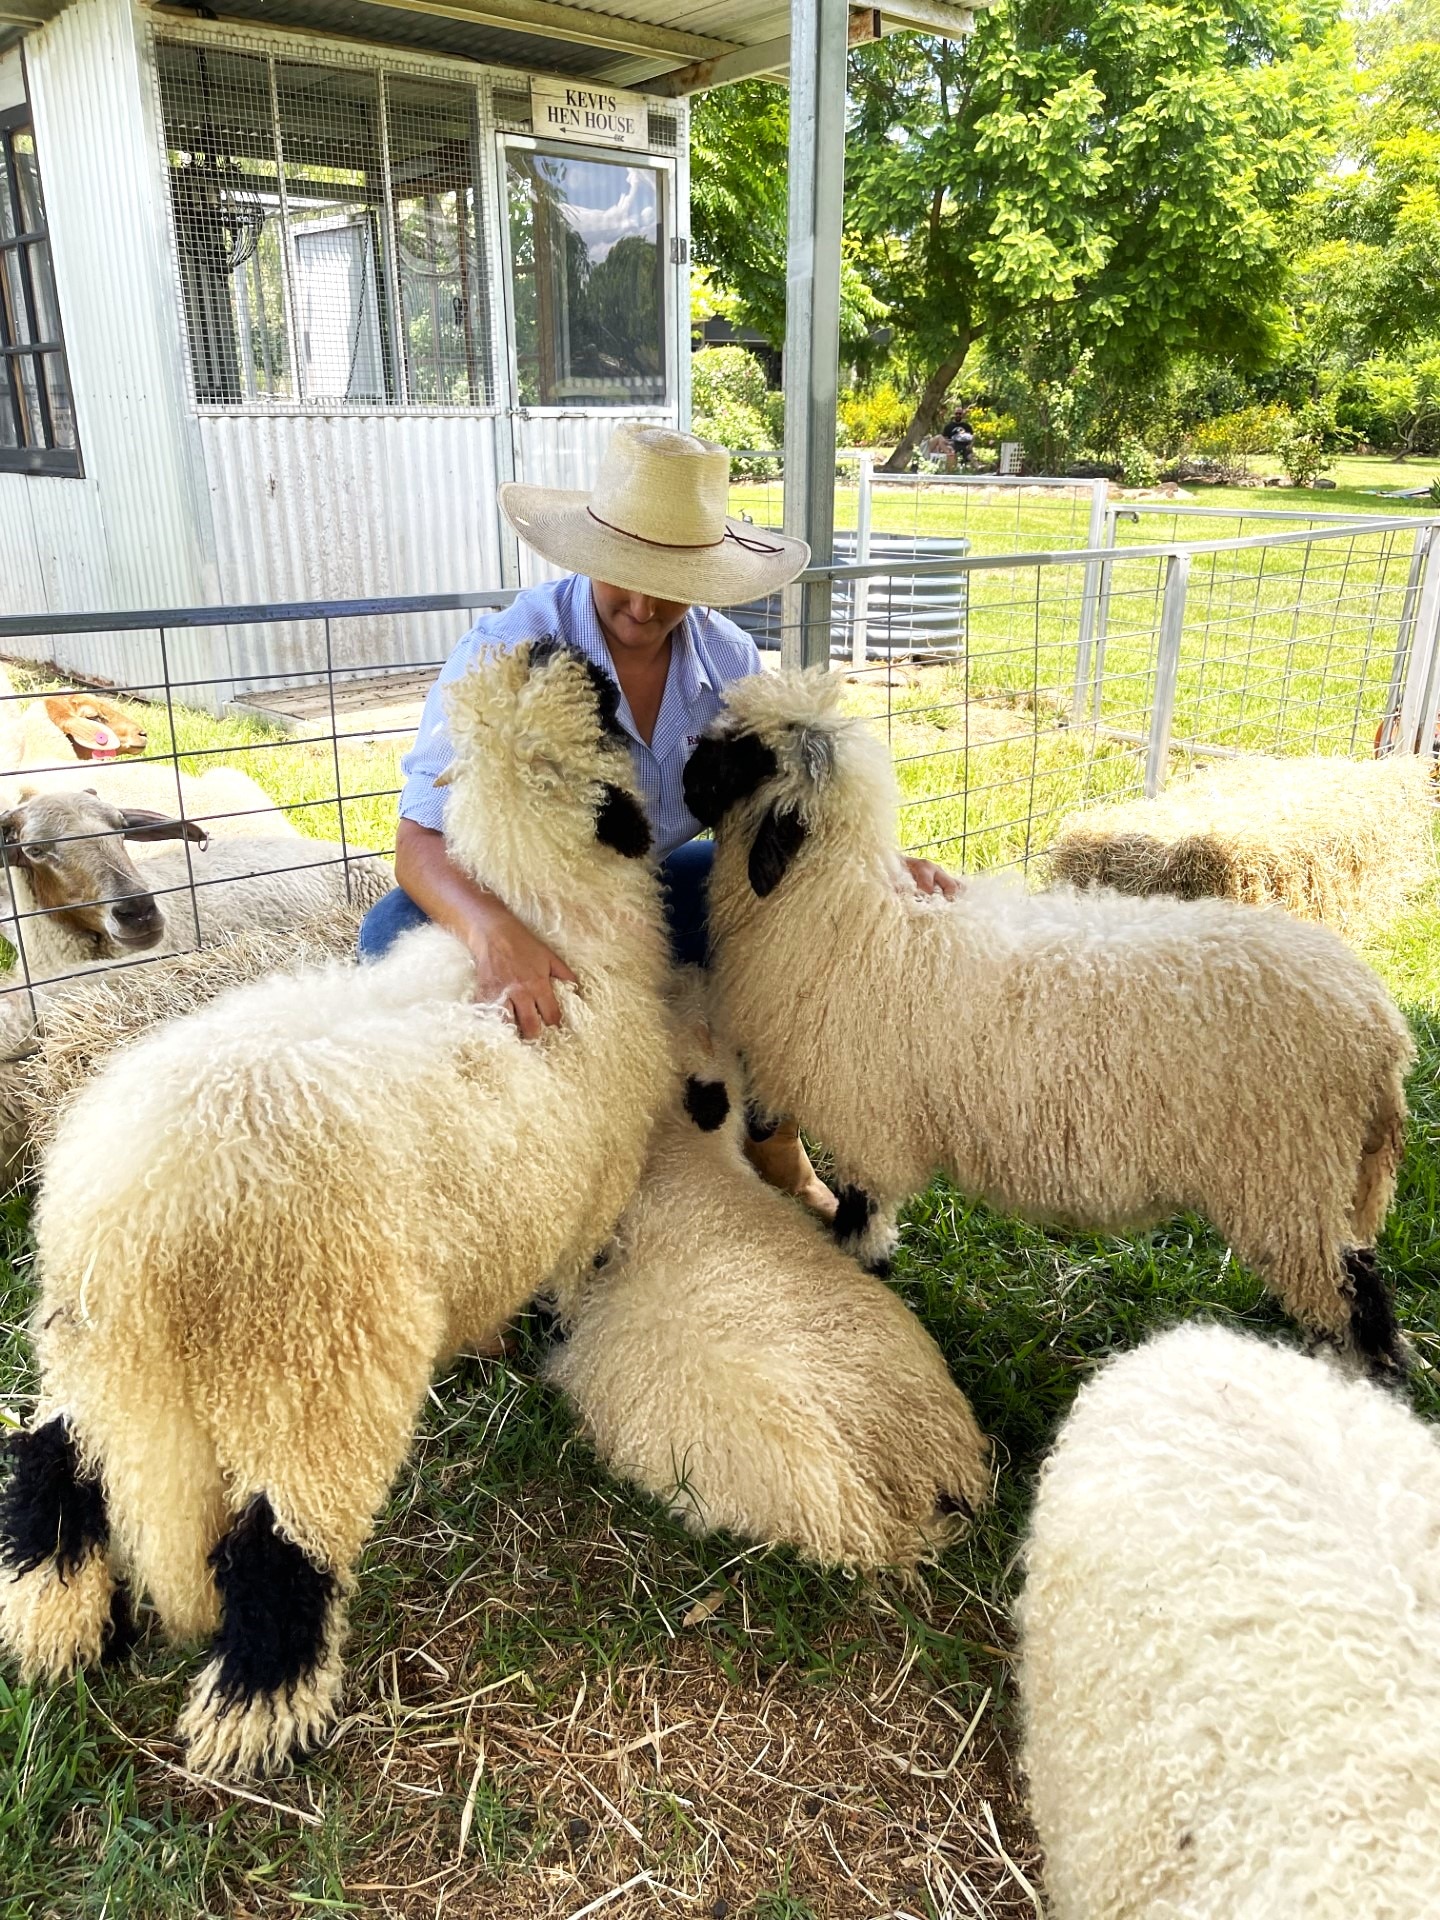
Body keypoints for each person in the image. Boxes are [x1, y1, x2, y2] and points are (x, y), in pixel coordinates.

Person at [359, 423, 959, 1217]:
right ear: (589, 554)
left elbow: (778, 814)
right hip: (518, 891)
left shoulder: (728, 659)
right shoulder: (509, 649)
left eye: (669, 580)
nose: (642, 605)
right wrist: (493, 933)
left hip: (637, 896)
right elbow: (418, 840)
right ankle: (468, 1191)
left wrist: (869, 866)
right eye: (622, 575)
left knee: (790, 916)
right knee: (389, 939)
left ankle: (773, 1139)